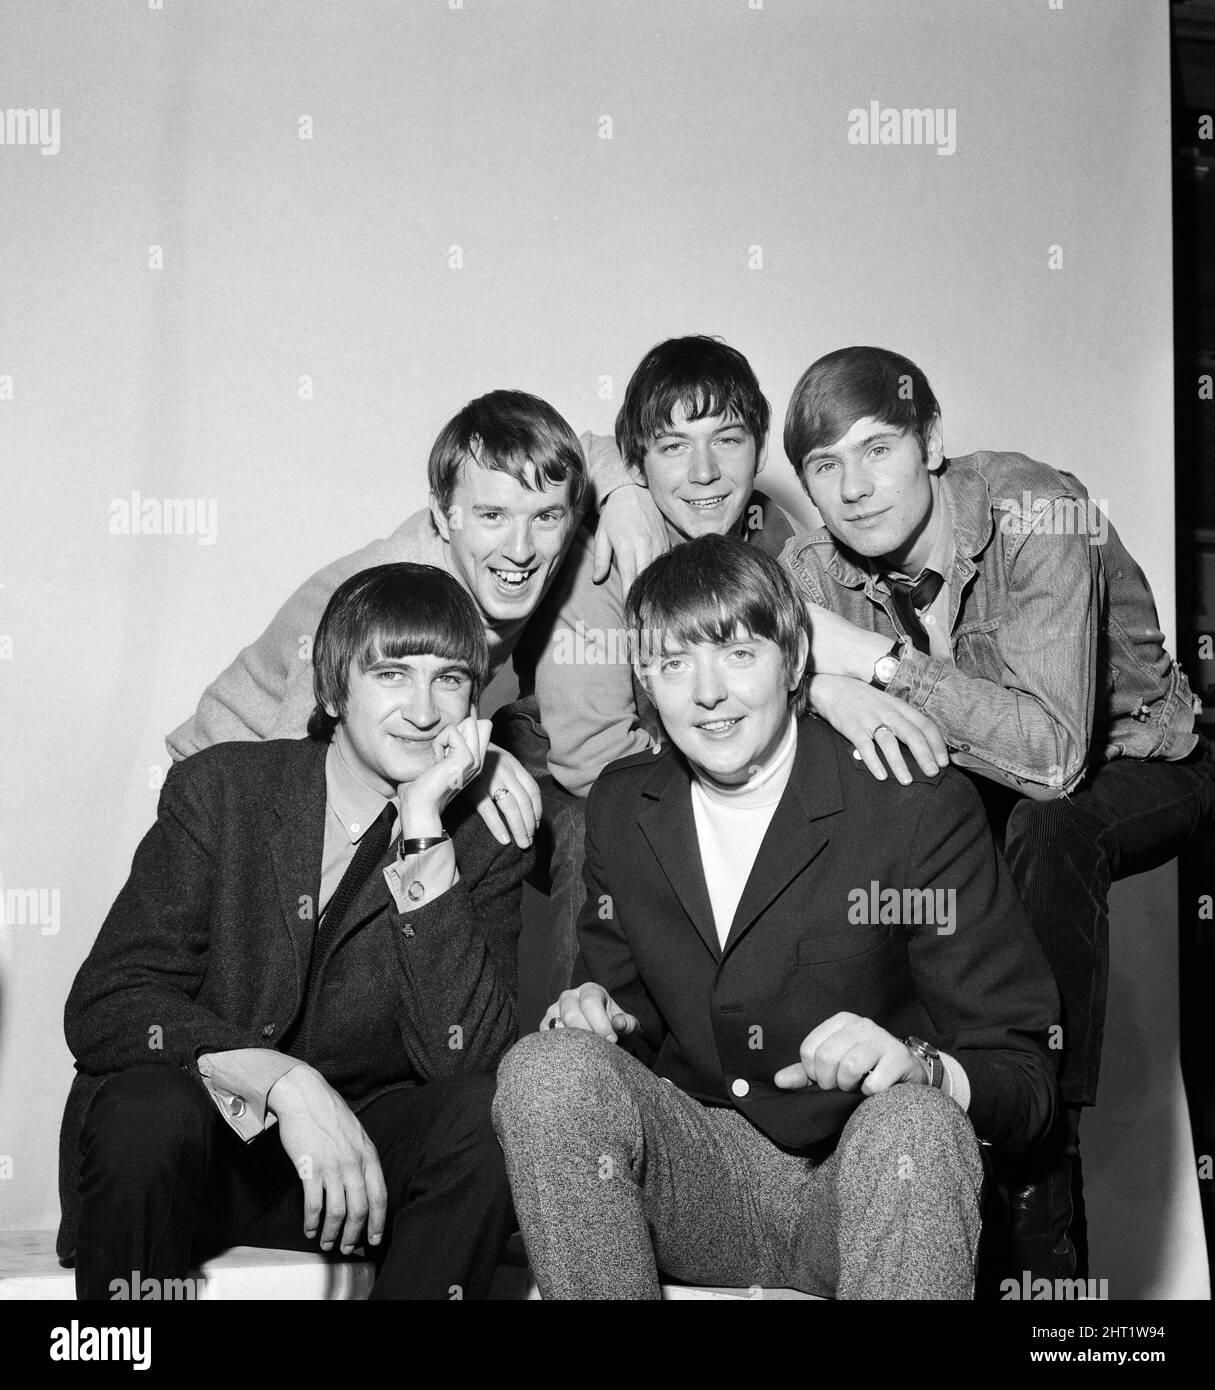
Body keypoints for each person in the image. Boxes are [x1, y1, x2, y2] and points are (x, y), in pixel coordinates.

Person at [492, 536, 1059, 1300]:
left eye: (735, 654)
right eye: (671, 665)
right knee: (546, 1069)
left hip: (862, 1180)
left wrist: (918, 1066)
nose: (706, 695)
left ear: (793, 662)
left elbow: (1024, 1075)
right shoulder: (625, 807)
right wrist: (599, 1018)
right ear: (646, 687)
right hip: (701, 1187)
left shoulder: (911, 804)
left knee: (915, 1124)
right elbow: (630, 1021)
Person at [777, 344, 1215, 1280]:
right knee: (892, 829)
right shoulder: (809, 565)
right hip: (979, 781)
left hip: (1140, 759)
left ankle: (1031, 1126)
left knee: (1044, 830)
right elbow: (729, 674)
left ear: (931, 440)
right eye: (823, 467)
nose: (852, 489)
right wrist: (817, 686)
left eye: (876, 449)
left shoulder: (1036, 510)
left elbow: (1052, 759)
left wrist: (874, 662)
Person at [60, 562, 531, 1300]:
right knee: (144, 1105)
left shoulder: (479, 841)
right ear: (334, 689)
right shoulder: (223, 791)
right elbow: (109, 1004)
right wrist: (283, 1080)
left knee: (487, 1112)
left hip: (355, 1186)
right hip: (202, 1161)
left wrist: (421, 832)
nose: (423, 708)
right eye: (392, 674)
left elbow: (467, 1058)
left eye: (449, 680)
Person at [166, 388, 669, 851]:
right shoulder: (385, 601)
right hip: (230, 778)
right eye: (492, 516)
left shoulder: (534, 520)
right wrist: (469, 767)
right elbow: (297, 779)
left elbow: (580, 451)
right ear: (442, 514)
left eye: (545, 517)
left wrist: (624, 495)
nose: (520, 551)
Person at [499, 336, 798, 996]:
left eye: (726, 440)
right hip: (568, 769)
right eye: (672, 446)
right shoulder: (602, 558)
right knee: (599, 826)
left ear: (759, 448)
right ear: (636, 462)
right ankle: (573, 1059)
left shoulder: (780, 544)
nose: (703, 472)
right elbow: (592, 755)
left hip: (712, 762)